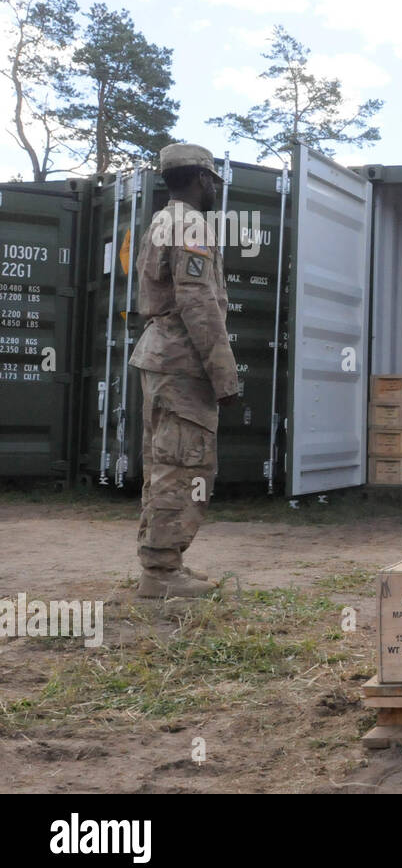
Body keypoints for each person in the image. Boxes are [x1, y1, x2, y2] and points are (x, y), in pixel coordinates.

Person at [128, 143, 239, 599]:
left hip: (159, 358)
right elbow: (198, 302)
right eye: (213, 179)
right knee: (184, 464)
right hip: (182, 362)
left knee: (163, 465)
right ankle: (161, 574)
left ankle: (161, 563)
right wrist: (224, 374)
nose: (215, 188)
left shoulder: (160, 220)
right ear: (200, 179)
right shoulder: (191, 224)